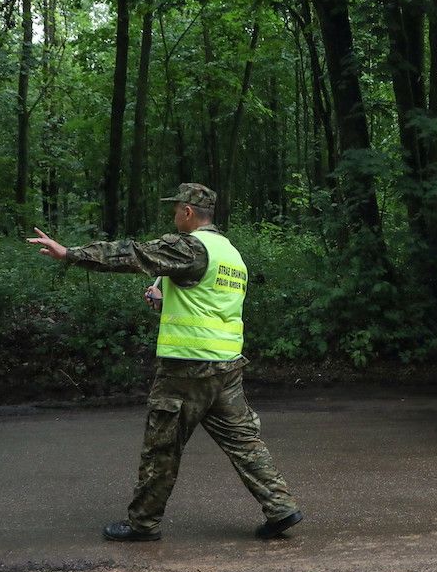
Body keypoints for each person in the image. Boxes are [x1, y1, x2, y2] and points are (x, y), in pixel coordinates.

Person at [28, 183, 302, 542]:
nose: (174, 216)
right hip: (226, 366)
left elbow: (134, 254)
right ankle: (280, 507)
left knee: (162, 446)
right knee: (244, 441)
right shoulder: (231, 254)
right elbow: (209, 304)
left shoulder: (190, 246)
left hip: (187, 368)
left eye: (176, 210)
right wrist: (164, 300)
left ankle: (143, 523)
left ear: (188, 212)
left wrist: (71, 253)